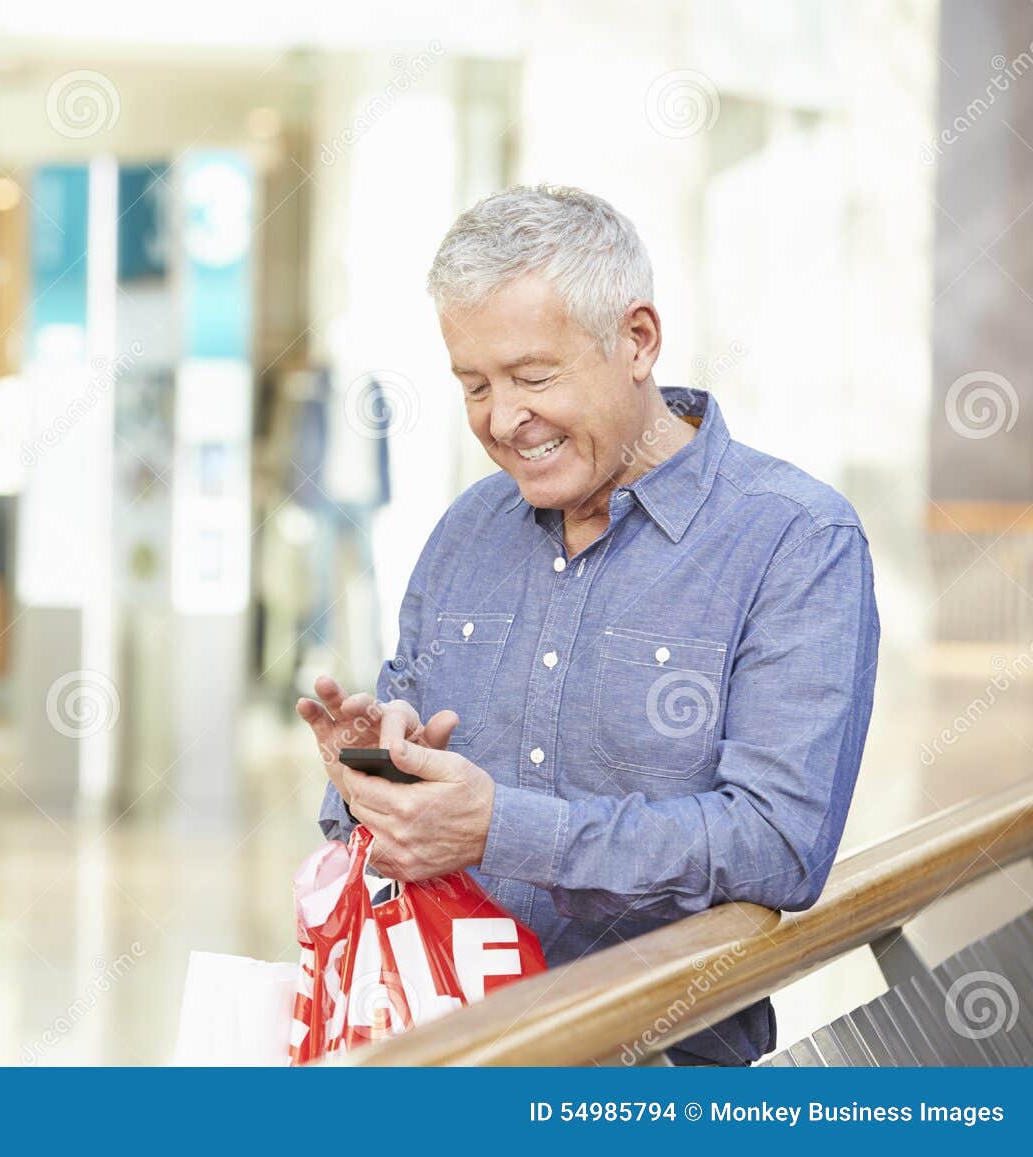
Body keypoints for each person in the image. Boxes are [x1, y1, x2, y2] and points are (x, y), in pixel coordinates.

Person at [298, 185, 880, 1066]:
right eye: (474, 385)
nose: (502, 420)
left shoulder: (796, 541)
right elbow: (382, 827)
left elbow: (778, 845)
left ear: (637, 340)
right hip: (443, 1052)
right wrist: (370, 778)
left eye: (534, 378)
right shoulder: (467, 530)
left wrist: (504, 828)